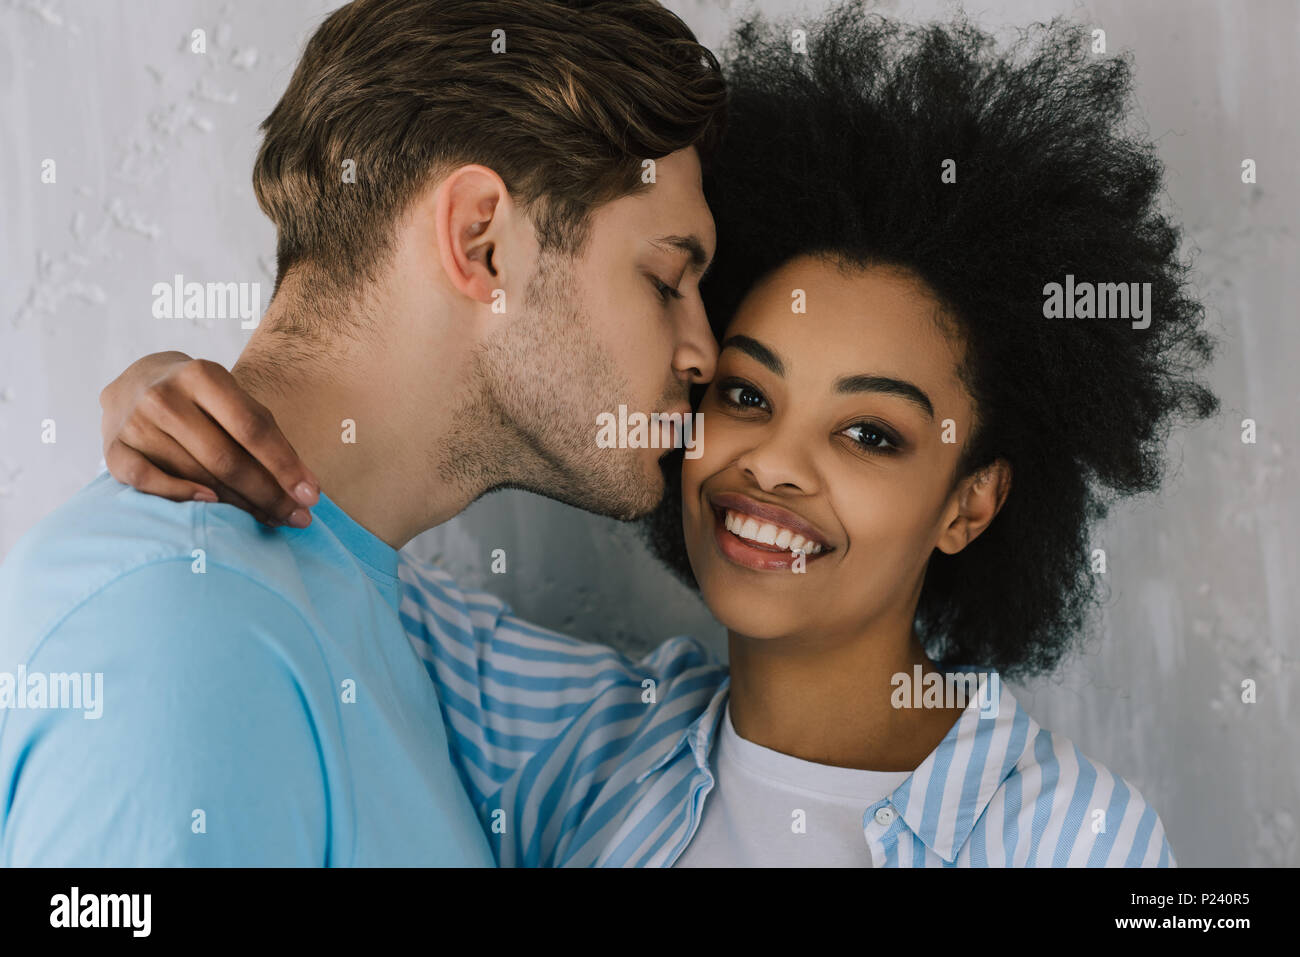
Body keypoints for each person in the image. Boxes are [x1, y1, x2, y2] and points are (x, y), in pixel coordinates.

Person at [94, 5, 1215, 867]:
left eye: (870, 434)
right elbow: (327, 531)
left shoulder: (1075, 840)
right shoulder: (573, 737)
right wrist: (174, 395)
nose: (775, 463)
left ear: (970, 501)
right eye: (744, 395)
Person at [0, 0, 726, 866]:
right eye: (667, 278)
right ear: (482, 240)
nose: (703, 352)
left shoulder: (375, 613)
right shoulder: (187, 631)